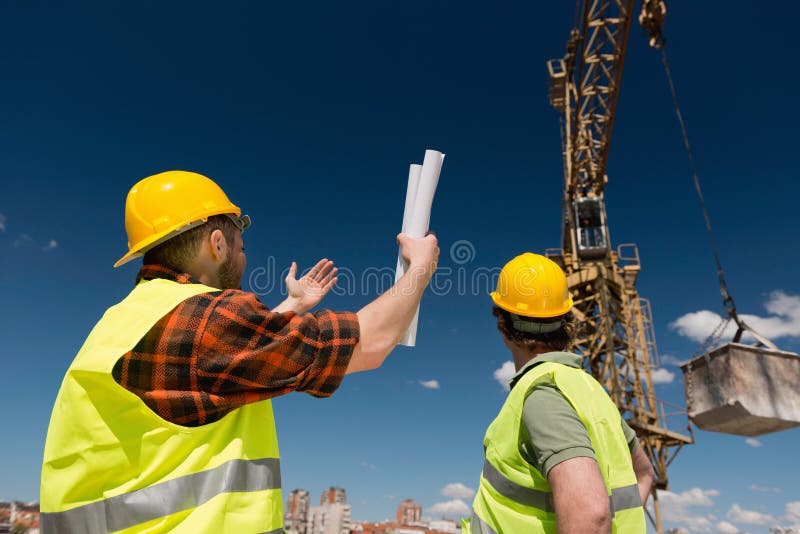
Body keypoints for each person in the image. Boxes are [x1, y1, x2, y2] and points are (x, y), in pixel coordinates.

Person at [40, 170, 439, 533]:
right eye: (241, 245)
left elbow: (211, 364)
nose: (244, 257)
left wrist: (291, 308)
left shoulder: (122, 321)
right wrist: (419, 269)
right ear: (217, 244)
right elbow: (369, 344)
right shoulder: (207, 319)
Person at [463, 253, 653, 533]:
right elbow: (645, 474)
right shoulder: (592, 392)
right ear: (566, 322)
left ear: (502, 326)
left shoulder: (542, 393)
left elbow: (590, 514)